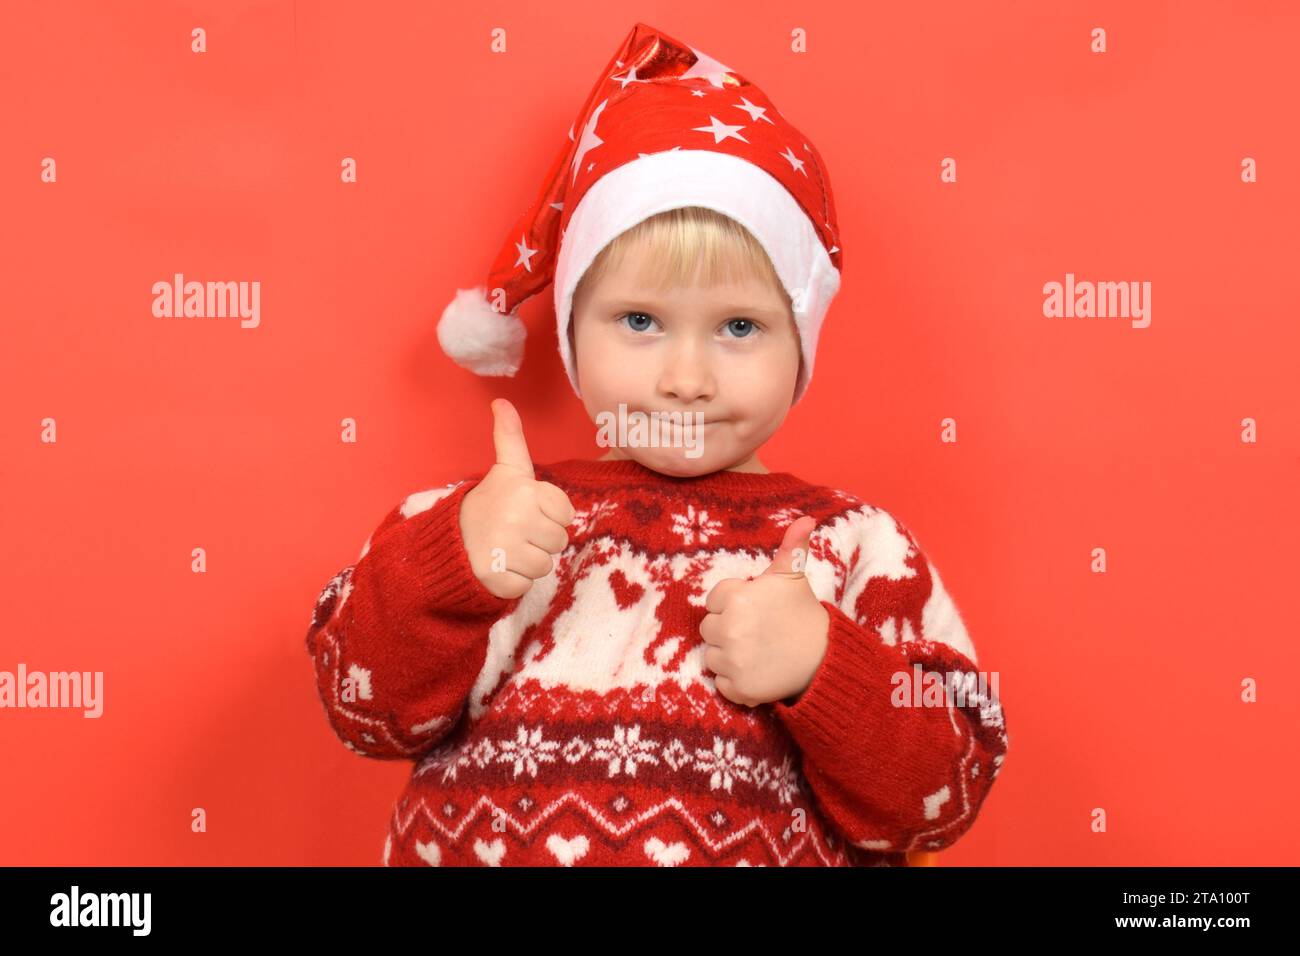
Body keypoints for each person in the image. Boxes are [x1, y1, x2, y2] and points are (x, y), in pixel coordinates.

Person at [305, 22, 1009, 867]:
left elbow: (936, 809)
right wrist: (447, 574)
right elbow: (365, 717)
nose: (685, 377)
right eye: (639, 321)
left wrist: (826, 669)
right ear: (571, 326)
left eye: (739, 327)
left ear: (802, 343)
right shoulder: (483, 522)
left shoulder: (861, 550)